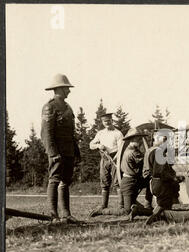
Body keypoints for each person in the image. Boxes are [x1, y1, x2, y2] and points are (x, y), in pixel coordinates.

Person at [41, 74, 80, 224]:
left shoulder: (68, 108)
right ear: (60, 89)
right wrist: (52, 152)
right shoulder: (49, 107)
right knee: (55, 180)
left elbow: (71, 133)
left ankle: (66, 215)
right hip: (57, 152)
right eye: (67, 88)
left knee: (65, 182)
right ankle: (53, 215)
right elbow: (46, 133)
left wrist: (76, 151)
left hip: (68, 151)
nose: (69, 91)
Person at [89, 128, 151, 218]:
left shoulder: (133, 151)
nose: (139, 141)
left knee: (150, 181)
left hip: (136, 181)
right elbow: (146, 162)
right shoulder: (133, 153)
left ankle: (146, 205)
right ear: (130, 140)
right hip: (129, 183)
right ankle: (102, 211)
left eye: (139, 138)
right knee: (126, 211)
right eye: (136, 139)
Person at [142, 129, 184, 224]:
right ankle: (152, 219)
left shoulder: (154, 151)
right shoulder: (159, 152)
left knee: (166, 204)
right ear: (158, 139)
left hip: (157, 182)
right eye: (165, 139)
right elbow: (160, 172)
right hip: (161, 184)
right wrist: (174, 178)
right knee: (163, 204)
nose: (168, 142)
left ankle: (161, 220)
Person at [89, 113, 124, 210]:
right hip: (104, 159)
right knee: (104, 181)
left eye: (109, 121)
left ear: (112, 121)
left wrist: (115, 158)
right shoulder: (100, 133)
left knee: (118, 182)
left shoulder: (118, 133)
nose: (107, 123)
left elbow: (121, 149)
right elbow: (91, 145)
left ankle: (121, 206)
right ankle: (104, 205)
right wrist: (98, 146)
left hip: (115, 159)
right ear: (102, 122)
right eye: (105, 121)